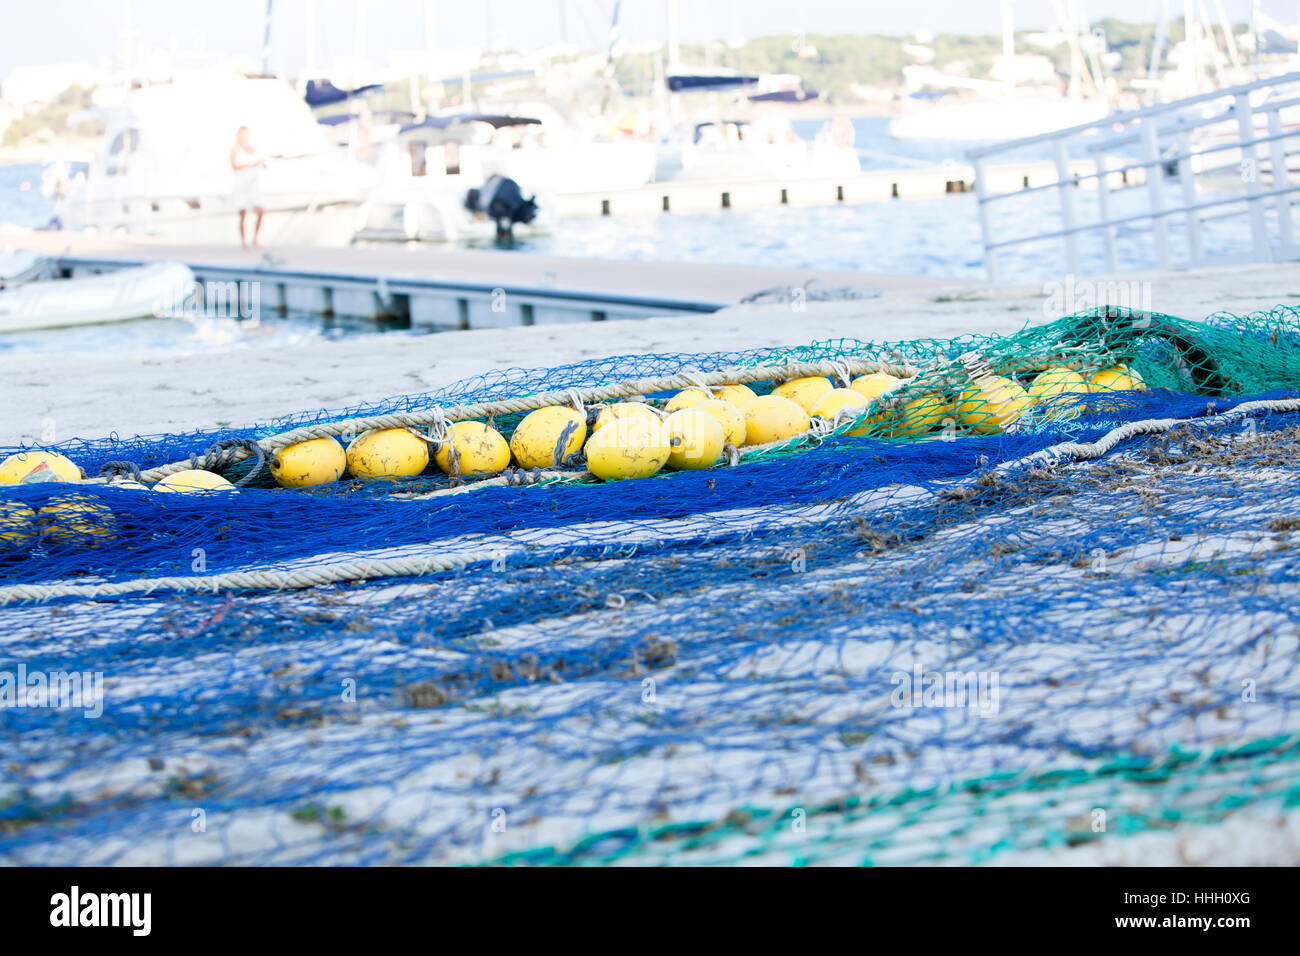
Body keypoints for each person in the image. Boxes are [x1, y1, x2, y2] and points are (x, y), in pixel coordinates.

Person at [229, 126, 266, 250]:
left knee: (260, 211)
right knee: (243, 213)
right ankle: (243, 243)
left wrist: (261, 164)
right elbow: (234, 166)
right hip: (241, 184)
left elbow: (260, 162)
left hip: (253, 184)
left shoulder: (254, 149)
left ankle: (255, 239)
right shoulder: (235, 149)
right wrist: (251, 164)